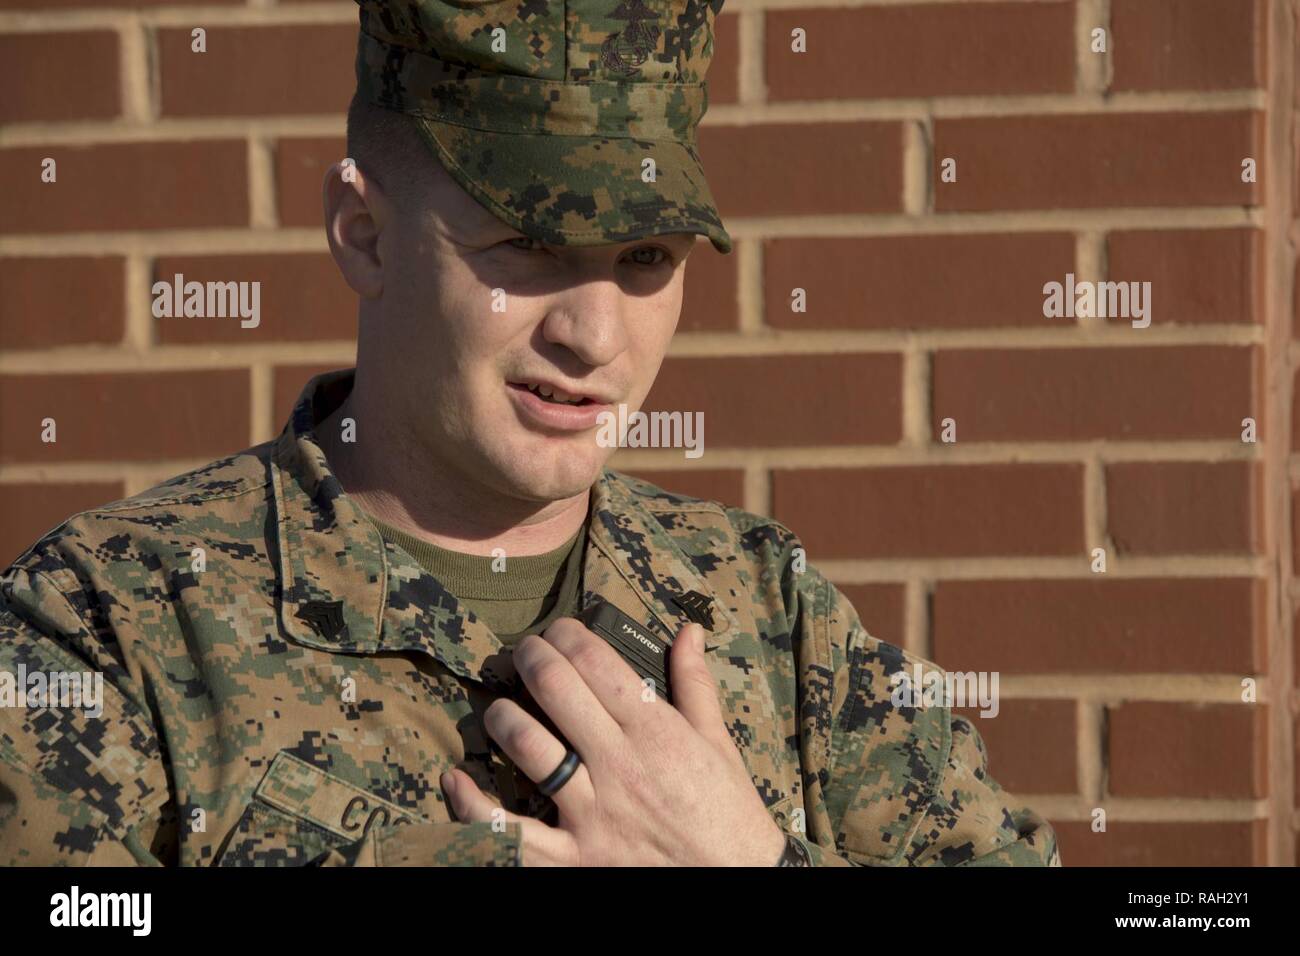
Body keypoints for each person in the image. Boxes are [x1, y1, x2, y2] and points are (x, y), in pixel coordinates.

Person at [0, 0, 1059, 866]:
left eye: (646, 258)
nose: (595, 334)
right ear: (364, 235)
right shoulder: (110, 623)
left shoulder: (766, 610)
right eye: (533, 243)